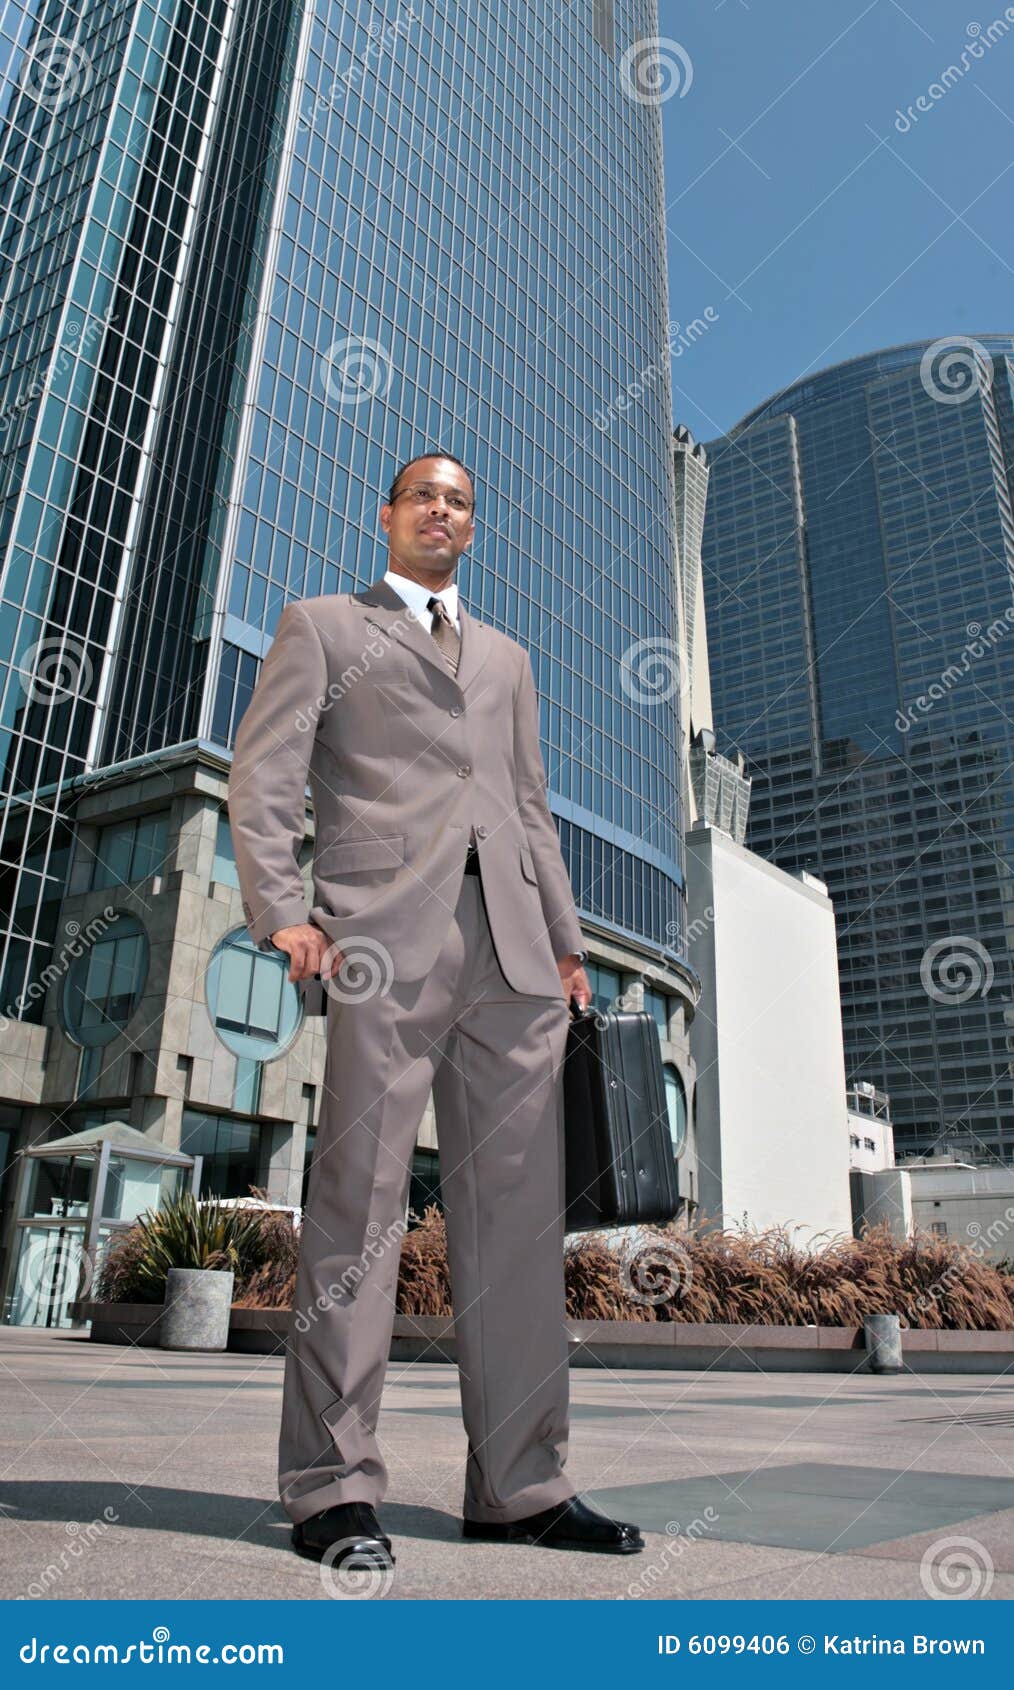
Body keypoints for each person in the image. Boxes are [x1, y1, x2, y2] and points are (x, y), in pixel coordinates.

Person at [227, 451, 644, 1570]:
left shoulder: (507, 655)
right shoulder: (320, 625)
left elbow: (530, 807)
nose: (444, 512)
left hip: (511, 957)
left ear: (473, 525)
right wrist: (281, 912)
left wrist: (566, 944)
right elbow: (263, 778)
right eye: (426, 496)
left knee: (516, 1230)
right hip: (378, 945)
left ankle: (522, 1485)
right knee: (357, 1211)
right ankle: (332, 1487)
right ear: (390, 515)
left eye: (461, 501)